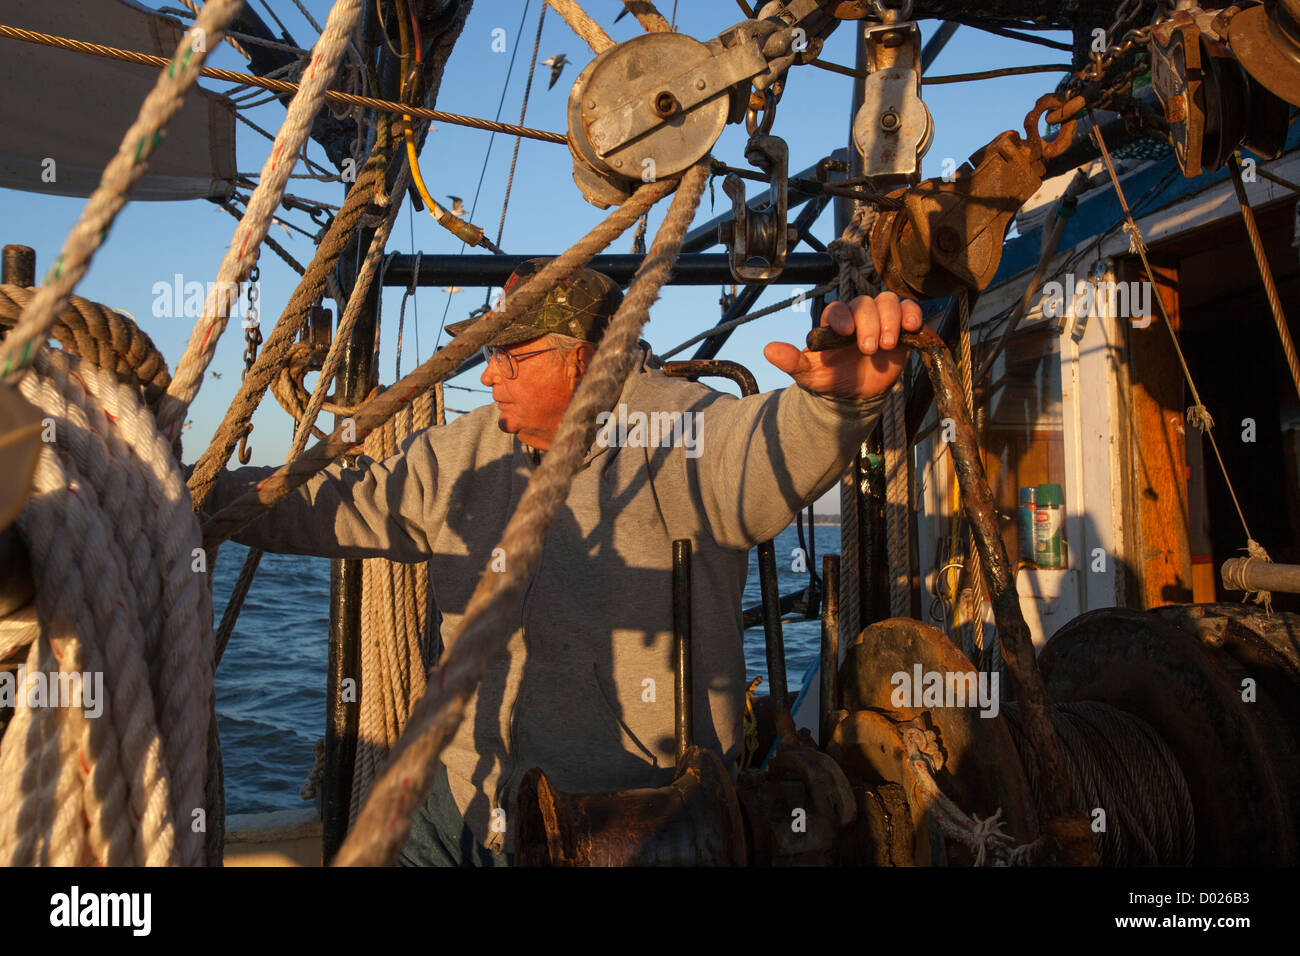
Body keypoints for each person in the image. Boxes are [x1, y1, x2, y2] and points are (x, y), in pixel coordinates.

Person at [203, 257, 923, 865]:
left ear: (582, 357)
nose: (487, 379)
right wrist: (193, 496)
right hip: (456, 799)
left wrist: (837, 407)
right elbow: (333, 501)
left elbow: (764, 448)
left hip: (622, 826)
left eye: (507, 358)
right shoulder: (465, 450)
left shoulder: (680, 431)